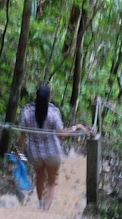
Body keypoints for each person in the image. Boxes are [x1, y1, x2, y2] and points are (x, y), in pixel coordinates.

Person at [19, 82, 84, 211]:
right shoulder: (53, 112)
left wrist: (18, 148)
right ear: (49, 97)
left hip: (35, 152)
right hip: (52, 152)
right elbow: (61, 135)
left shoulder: (27, 111)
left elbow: (23, 135)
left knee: (39, 177)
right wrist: (76, 127)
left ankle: (40, 202)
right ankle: (46, 208)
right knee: (51, 182)